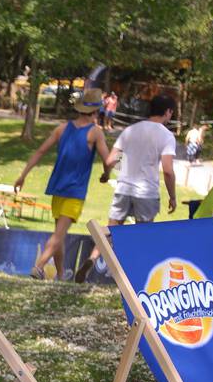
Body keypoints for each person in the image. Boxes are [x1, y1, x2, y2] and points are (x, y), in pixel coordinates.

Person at [14, 84, 114, 280]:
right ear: (96, 111)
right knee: (58, 235)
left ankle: (60, 275)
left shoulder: (62, 128)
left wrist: (23, 175)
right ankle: (39, 267)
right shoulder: (95, 132)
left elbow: (40, 151)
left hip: (57, 187)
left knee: (58, 234)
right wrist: (106, 175)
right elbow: (108, 160)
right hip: (74, 191)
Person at [75, 93, 178, 282]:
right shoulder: (166, 136)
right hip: (146, 192)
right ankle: (137, 277)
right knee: (143, 236)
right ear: (168, 112)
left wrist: (106, 175)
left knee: (111, 229)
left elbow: (110, 159)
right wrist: (173, 197)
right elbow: (169, 171)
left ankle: (92, 258)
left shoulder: (130, 130)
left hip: (123, 188)